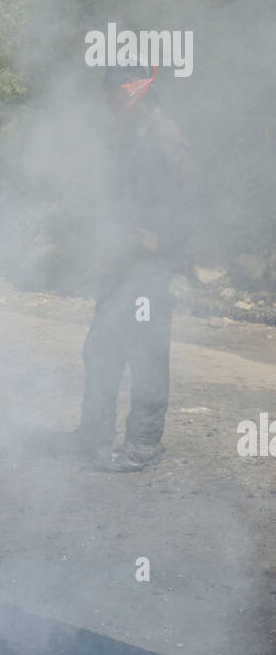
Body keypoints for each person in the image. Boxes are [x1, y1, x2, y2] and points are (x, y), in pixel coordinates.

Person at [76, 64, 190, 471]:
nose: (107, 104)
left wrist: (158, 241)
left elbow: (190, 204)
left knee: (147, 352)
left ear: (134, 92)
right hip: (122, 259)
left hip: (152, 264)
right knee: (101, 346)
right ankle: (93, 432)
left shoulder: (164, 136)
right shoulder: (127, 131)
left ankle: (144, 442)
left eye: (113, 96)